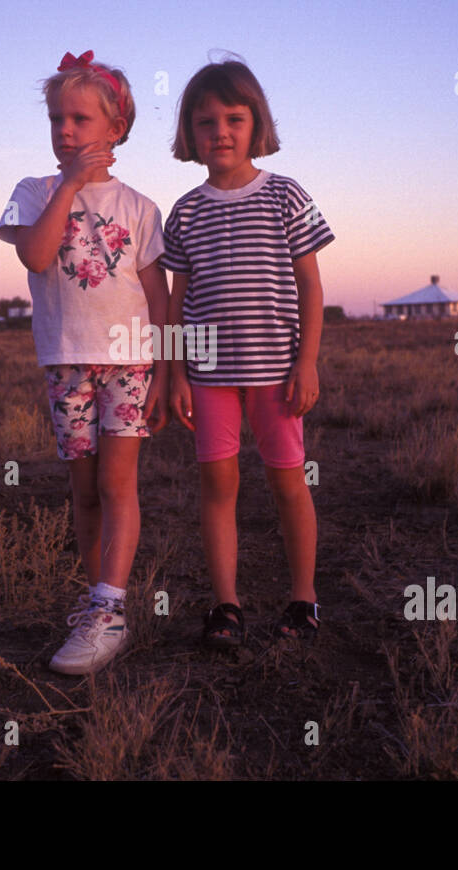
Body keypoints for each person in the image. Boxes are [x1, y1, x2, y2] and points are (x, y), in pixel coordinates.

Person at [0, 50, 169, 674]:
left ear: (115, 129)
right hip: (66, 363)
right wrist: (68, 185)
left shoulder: (141, 207)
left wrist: (167, 372)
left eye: (80, 120)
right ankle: (98, 601)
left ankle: (110, 608)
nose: (65, 131)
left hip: (129, 363)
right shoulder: (33, 191)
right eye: (55, 119)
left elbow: (158, 296)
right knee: (84, 488)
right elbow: (36, 257)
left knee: (118, 484)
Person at [161, 57, 333, 648]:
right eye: (206, 122)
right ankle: (226, 607)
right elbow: (174, 302)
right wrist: (174, 372)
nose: (221, 132)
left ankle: (304, 599)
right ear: (189, 132)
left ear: (256, 122)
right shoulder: (185, 212)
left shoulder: (287, 195)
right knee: (218, 487)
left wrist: (307, 361)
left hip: (277, 376)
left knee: (288, 483)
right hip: (208, 377)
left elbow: (311, 286)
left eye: (235, 118)